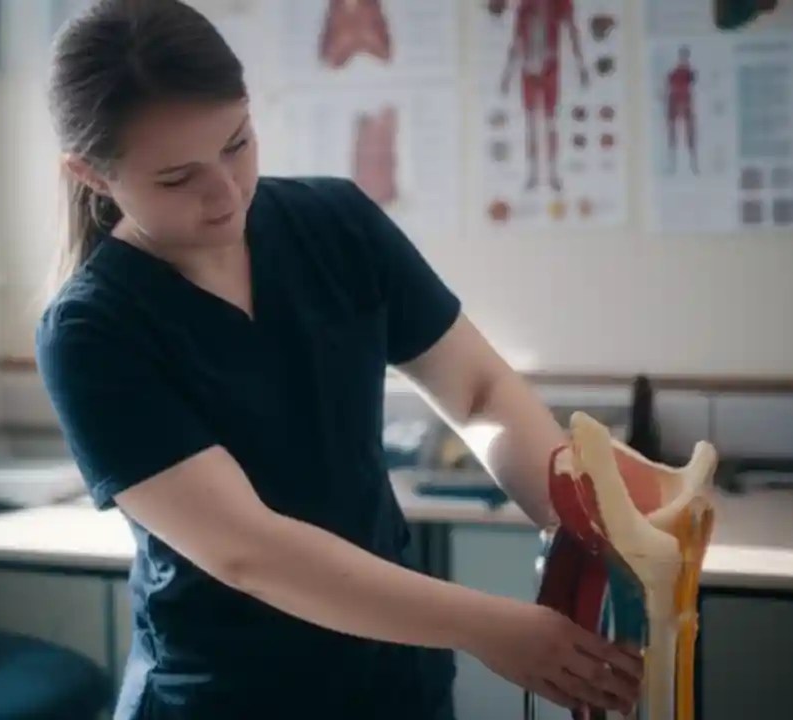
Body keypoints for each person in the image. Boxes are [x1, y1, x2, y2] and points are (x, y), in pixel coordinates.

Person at [37, 1, 642, 718]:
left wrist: (589, 521)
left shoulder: (335, 225)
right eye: (177, 178)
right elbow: (249, 550)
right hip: (227, 695)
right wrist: (494, 628)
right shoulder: (92, 330)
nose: (226, 192)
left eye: (238, 142)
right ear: (93, 175)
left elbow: (477, 394)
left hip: (395, 684)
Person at [498, 0, 589, 193]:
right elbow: (516, 40)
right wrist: (507, 74)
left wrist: (581, 66)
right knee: (531, 124)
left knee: (550, 123)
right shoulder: (525, 7)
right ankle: (532, 173)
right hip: (528, 68)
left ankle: (553, 173)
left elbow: (573, 31)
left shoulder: (559, 4)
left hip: (549, 68)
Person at [664, 46, 698, 175]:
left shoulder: (689, 72)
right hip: (675, 100)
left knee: (690, 132)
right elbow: (669, 84)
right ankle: (672, 164)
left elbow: (691, 82)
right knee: (673, 133)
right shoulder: (675, 72)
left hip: (685, 100)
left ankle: (692, 163)